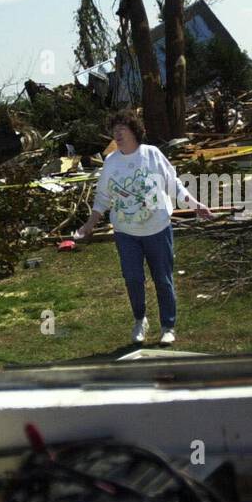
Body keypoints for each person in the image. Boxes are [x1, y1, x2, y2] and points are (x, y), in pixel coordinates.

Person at [74, 109, 212, 344]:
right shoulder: (111, 162)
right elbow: (103, 197)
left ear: (134, 131)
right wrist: (89, 224)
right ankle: (140, 320)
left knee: (163, 278)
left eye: (122, 129)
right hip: (126, 232)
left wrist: (195, 204)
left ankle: (168, 326)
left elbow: (174, 185)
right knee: (133, 278)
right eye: (114, 130)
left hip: (158, 229)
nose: (117, 134)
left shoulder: (152, 154)